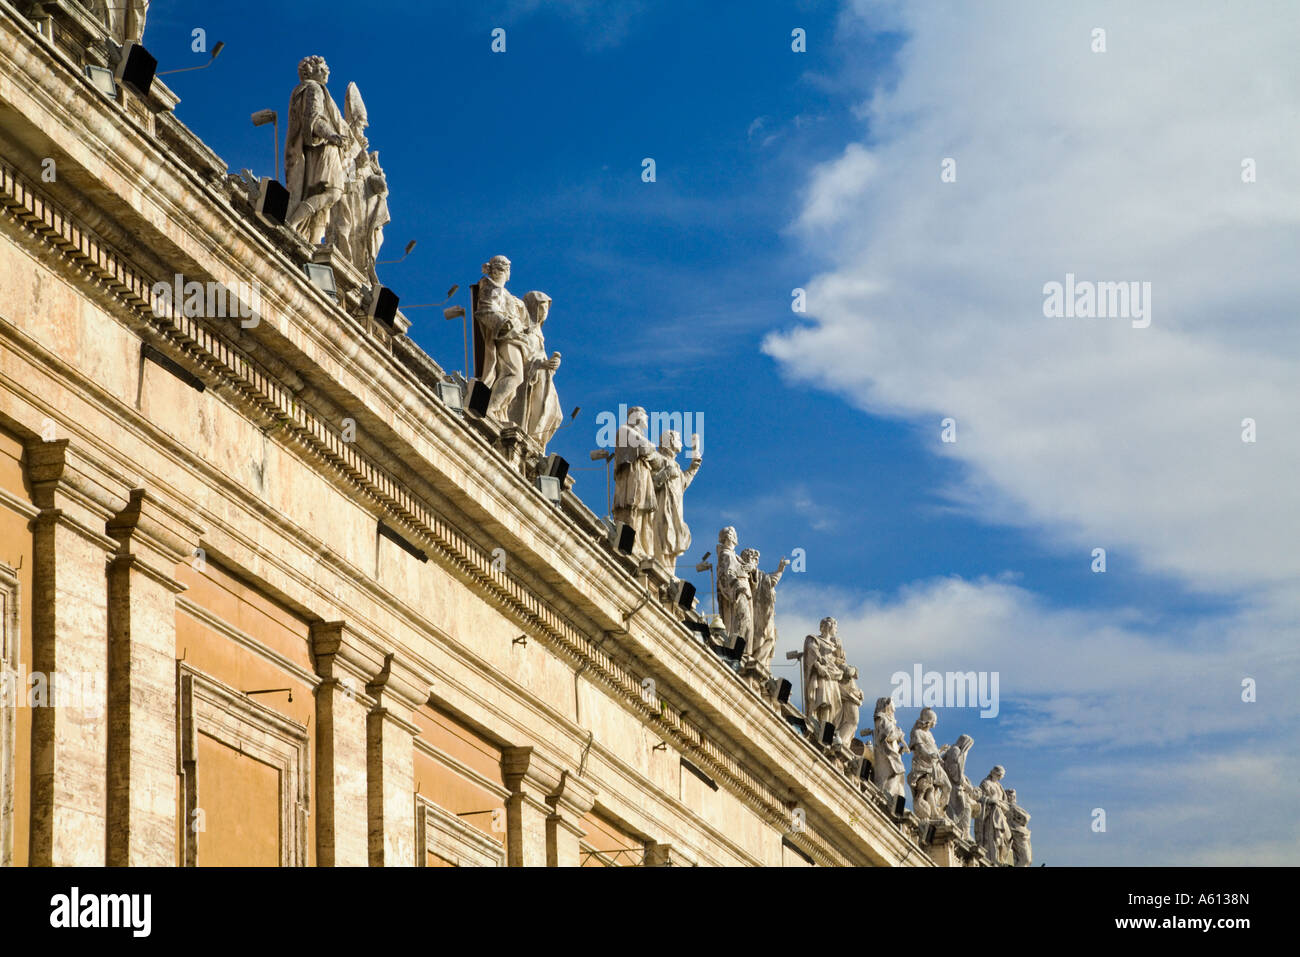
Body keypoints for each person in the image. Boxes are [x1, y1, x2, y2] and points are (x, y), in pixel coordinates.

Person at [285, 56, 348, 244]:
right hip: (324, 148)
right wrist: (332, 136)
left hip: (325, 148)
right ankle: (293, 222)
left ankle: (312, 241)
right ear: (310, 72)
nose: (326, 71)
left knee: (324, 204)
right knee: (333, 193)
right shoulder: (313, 89)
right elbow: (313, 119)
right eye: (322, 68)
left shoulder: (317, 90)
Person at [613, 408, 660, 557]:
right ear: (637, 416)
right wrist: (650, 448)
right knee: (633, 507)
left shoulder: (635, 433)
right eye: (645, 415)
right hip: (632, 476)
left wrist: (650, 449)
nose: (647, 418)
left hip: (642, 475)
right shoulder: (624, 430)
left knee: (643, 511)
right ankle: (631, 543)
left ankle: (640, 544)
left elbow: (656, 458)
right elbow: (645, 448)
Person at [651, 431, 701, 574]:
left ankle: (669, 571)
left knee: (674, 537)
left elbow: (682, 483)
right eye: (679, 439)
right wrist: (665, 474)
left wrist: (693, 468)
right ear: (670, 441)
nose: (681, 443)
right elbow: (649, 484)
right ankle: (661, 566)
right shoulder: (658, 459)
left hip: (675, 510)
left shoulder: (677, 467)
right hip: (662, 507)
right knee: (663, 535)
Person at [744, 549, 787, 674]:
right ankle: (755, 661)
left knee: (770, 638)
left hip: (765, 613)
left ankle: (761, 664)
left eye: (755, 560)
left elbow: (771, 580)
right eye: (752, 559)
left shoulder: (762, 576)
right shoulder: (746, 572)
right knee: (760, 637)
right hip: (755, 612)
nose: (753, 562)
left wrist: (780, 570)